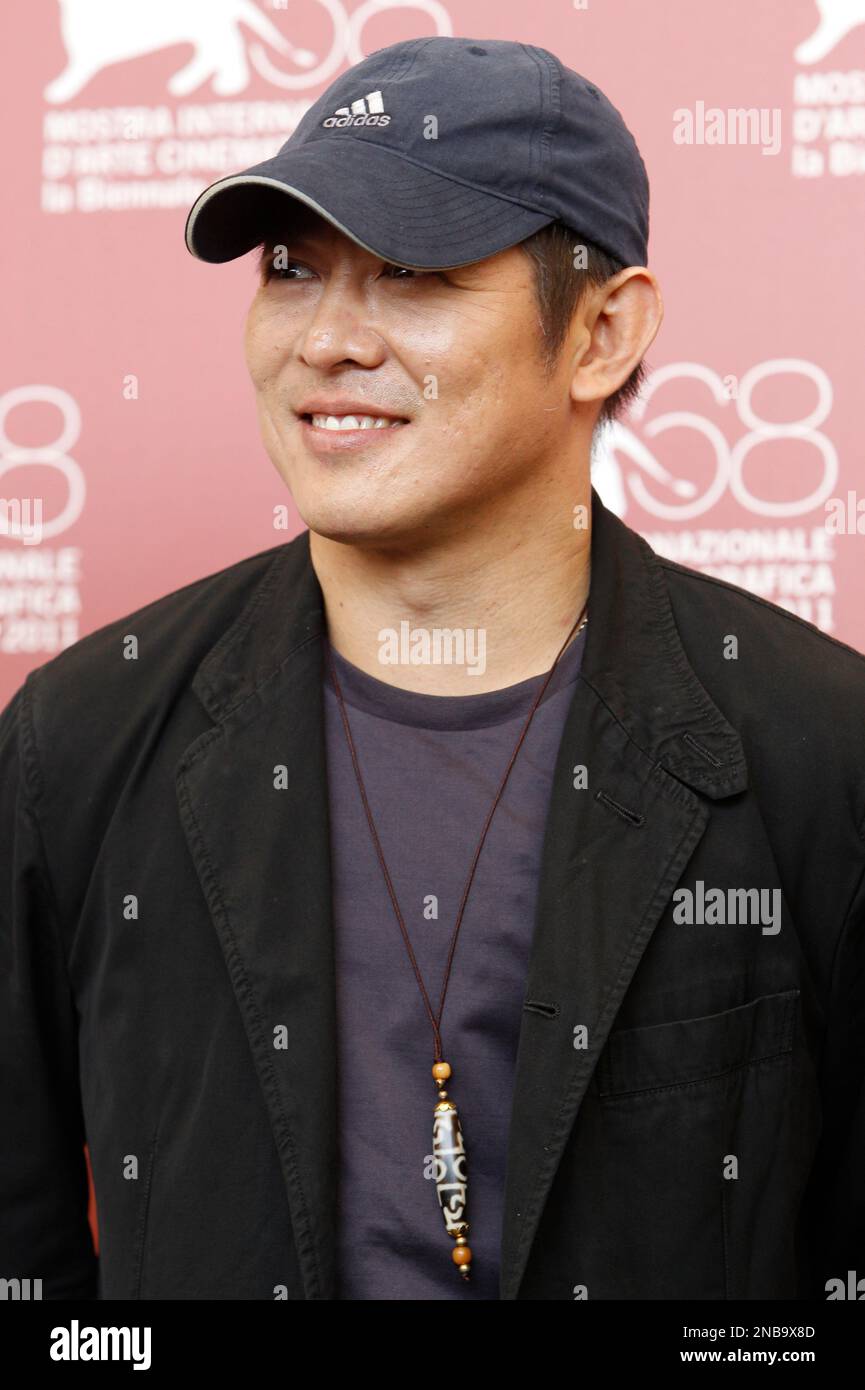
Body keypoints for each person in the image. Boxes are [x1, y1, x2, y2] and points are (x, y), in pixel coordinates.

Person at [1, 35, 862, 1303]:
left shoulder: (814, 748)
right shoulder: (80, 739)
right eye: (290, 271)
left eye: (411, 274)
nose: (326, 341)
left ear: (602, 334)